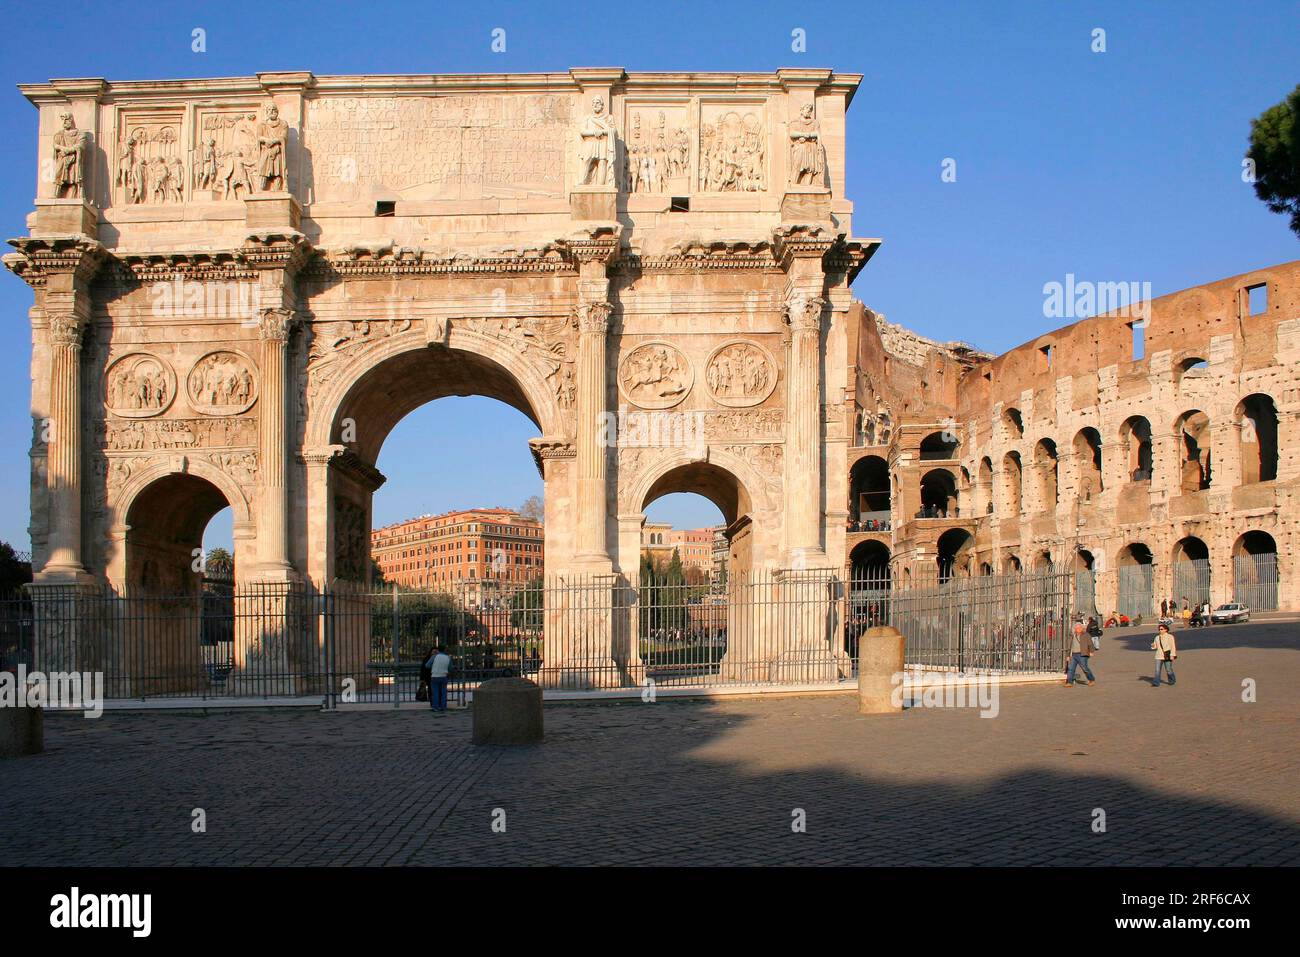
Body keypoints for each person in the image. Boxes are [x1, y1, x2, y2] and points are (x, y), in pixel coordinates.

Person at [1065, 618, 1096, 687]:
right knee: (1071, 669)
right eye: (1076, 628)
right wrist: (1068, 655)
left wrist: (1091, 651)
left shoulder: (1086, 635)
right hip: (1073, 654)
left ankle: (1091, 679)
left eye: (1079, 628)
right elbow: (1070, 646)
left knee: (1085, 668)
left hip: (1082, 654)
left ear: (1082, 628)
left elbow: (1090, 644)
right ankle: (1069, 682)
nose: (1077, 629)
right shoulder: (1073, 636)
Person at [425, 644, 451, 713]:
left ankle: (435, 707)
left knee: (435, 692)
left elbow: (427, 665)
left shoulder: (434, 657)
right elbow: (450, 668)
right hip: (444, 676)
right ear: (445, 649)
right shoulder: (448, 657)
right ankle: (443, 706)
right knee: (443, 692)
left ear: (438, 650)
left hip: (435, 676)